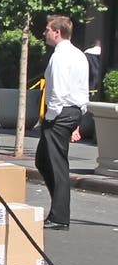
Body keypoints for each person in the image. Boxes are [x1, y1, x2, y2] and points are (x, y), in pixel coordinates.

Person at [35, 15, 89, 230]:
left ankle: (59, 216)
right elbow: (83, 88)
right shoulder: (79, 55)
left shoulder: (59, 57)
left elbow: (58, 90)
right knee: (43, 160)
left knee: (55, 163)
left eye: (47, 29)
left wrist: (51, 115)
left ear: (57, 32)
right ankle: (58, 210)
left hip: (60, 113)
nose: (45, 33)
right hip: (72, 111)